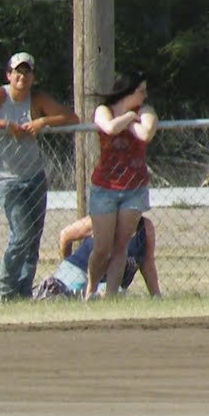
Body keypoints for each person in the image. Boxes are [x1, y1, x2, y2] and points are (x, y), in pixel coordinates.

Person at [0, 51, 79, 301]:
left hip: (34, 177)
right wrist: (6, 126)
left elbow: (71, 117)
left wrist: (42, 122)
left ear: (33, 77)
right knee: (21, 234)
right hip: (6, 180)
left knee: (33, 237)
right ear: (9, 74)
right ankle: (5, 289)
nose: (22, 77)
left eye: (27, 73)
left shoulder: (36, 99)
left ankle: (23, 291)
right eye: (17, 72)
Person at [83, 69, 159, 299]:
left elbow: (145, 134)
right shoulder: (104, 110)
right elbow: (109, 128)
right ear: (128, 91)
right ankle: (91, 289)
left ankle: (111, 295)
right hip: (105, 188)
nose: (144, 96)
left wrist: (130, 119)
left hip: (134, 189)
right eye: (140, 91)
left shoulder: (146, 111)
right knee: (102, 248)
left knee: (121, 246)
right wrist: (127, 118)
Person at [32, 214, 161, 300]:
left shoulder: (145, 228)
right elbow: (65, 235)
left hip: (106, 285)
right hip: (79, 269)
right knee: (59, 293)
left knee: (114, 293)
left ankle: (77, 296)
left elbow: (147, 263)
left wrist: (156, 297)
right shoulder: (103, 218)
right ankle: (56, 289)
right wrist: (66, 264)